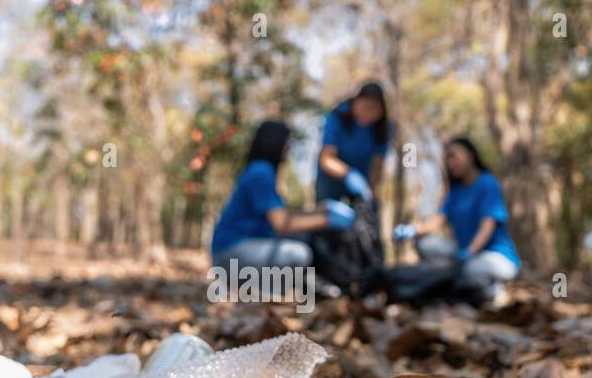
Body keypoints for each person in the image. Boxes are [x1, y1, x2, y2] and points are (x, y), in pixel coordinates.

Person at [211, 120, 357, 273]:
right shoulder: (261, 173)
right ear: (275, 141)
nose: (289, 148)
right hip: (229, 253)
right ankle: (263, 288)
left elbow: (283, 215)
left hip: (238, 248)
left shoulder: (261, 171)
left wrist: (320, 210)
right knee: (299, 254)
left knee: (304, 238)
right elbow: (282, 224)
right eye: (287, 143)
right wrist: (327, 220)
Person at [393, 137, 520, 303]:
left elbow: (487, 226)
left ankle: (492, 290)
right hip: (462, 254)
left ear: (471, 154)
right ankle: (460, 283)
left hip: (495, 257)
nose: (450, 162)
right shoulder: (455, 192)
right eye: (447, 158)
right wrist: (412, 230)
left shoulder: (487, 183)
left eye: (454, 155)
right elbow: (437, 221)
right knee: (426, 244)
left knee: (471, 270)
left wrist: (470, 253)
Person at [315, 81, 391, 204]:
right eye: (365, 107)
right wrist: (349, 175)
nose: (368, 113)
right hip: (332, 178)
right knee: (328, 215)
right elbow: (326, 159)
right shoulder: (337, 117)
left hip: (363, 181)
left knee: (369, 213)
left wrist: (369, 188)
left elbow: (377, 163)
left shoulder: (382, 128)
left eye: (374, 109)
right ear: (355, 102)